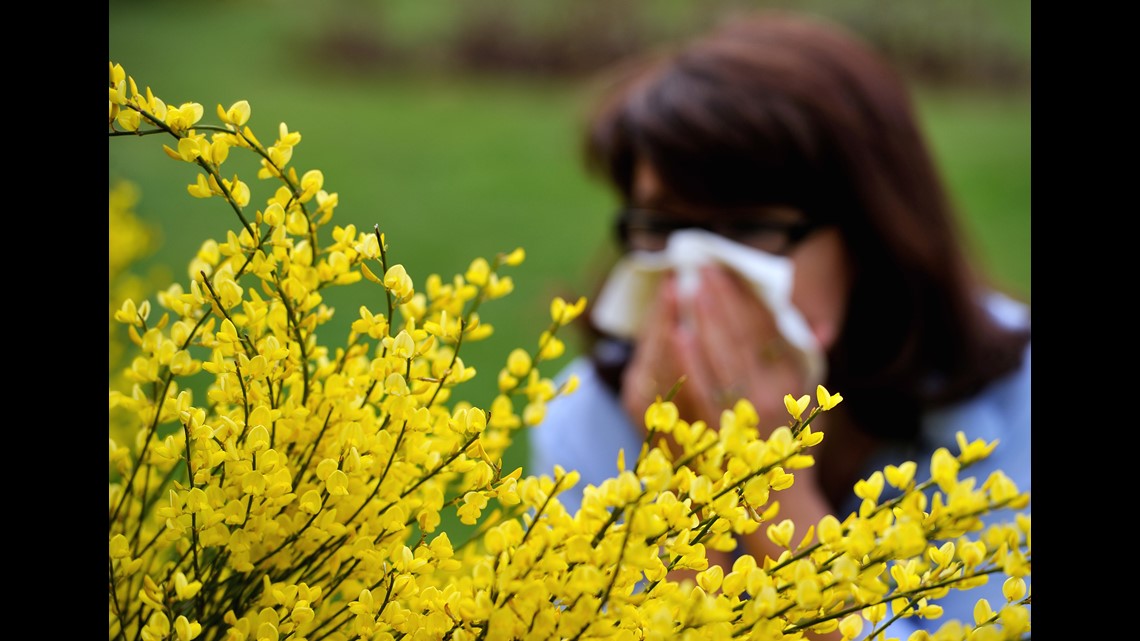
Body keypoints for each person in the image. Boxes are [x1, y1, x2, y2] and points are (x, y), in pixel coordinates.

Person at [529, 10, 1030, 637]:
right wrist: (680, 482)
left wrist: (766, 478)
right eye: (663, 226)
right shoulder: (590, 418)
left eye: (749, 227)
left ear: (870, 235)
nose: (700, 269)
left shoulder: (1017, 403)